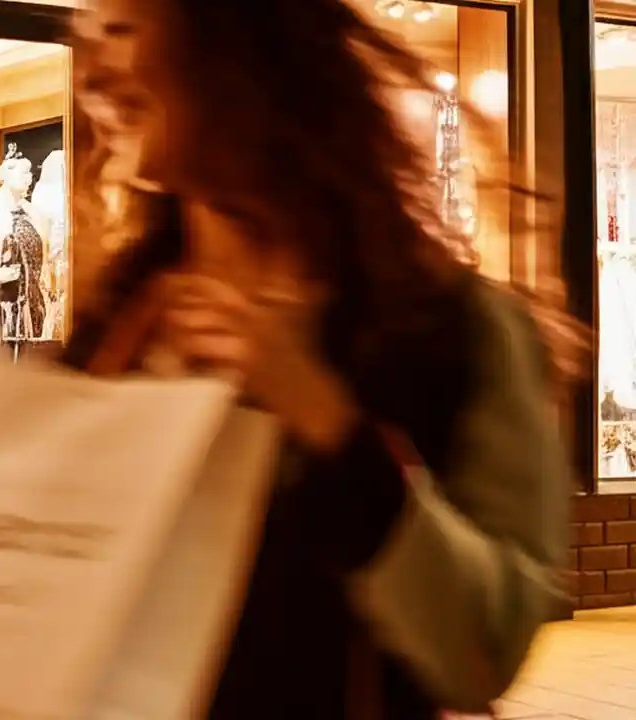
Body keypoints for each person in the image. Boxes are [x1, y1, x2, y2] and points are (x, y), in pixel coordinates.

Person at [66, 1, 580, 717]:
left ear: (243, 46)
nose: (93, 74)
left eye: (122, 30)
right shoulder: (114, 332)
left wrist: (325, 420)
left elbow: (482, 652)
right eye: (86, 39)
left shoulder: (454, 329)